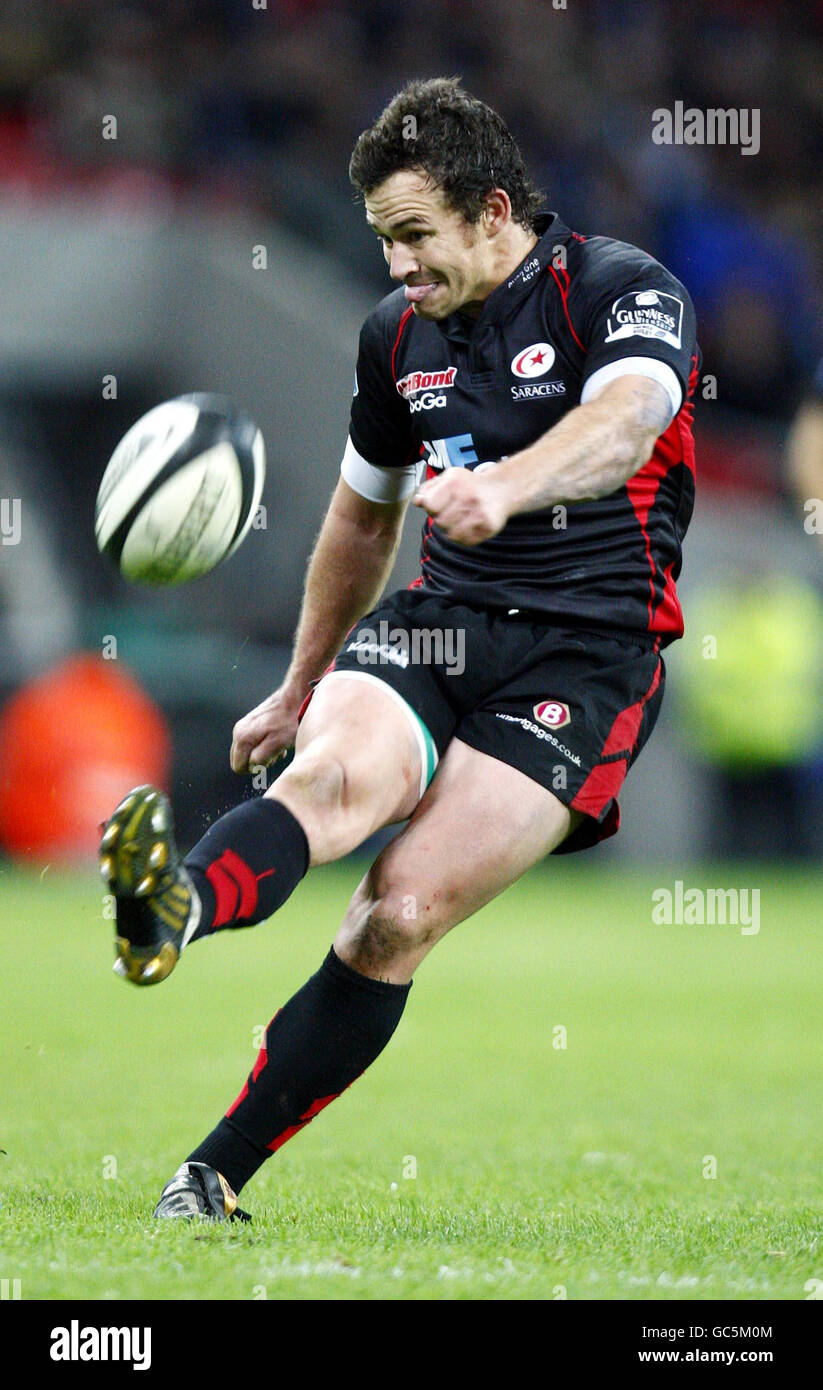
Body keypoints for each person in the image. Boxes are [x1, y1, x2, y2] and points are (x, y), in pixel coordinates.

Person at [100, 78, 699, 1221]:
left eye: (415, 236)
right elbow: (360, 517)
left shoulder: (620, 290)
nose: (396, 268)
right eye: (382, 241)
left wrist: (506, 489)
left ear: (491, 211)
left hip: (591, 656)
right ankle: (168, 908)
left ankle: (212, 1169)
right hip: (440, 621)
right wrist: (297, 685)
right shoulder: (396, 339)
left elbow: (625, 425)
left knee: (398, 913)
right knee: (329, 776)